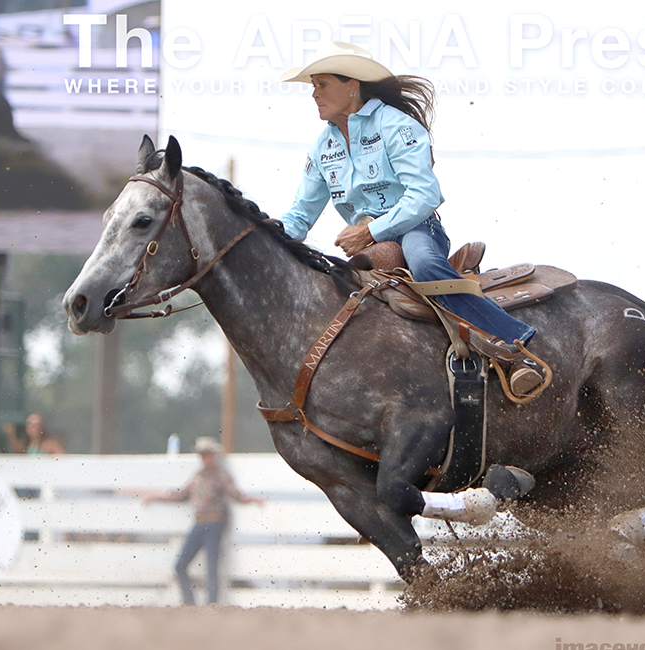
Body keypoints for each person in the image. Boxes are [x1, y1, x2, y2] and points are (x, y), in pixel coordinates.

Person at [277, 42, 543, 397]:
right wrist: (261, 238)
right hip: (368, 245)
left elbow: (424, 195)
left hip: (416, 228)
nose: (314, 94)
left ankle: (515, 345)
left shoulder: (396, 126)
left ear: (352, 85)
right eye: (313, 85)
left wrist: (370, 230)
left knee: (425, 264)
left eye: (322, 84)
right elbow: (299, 216)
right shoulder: (322, 149)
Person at [144, 437, 263, 606]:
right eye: (202, 455)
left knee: (211, 567)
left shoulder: (221, 474)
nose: (205, 458)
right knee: (180, 565)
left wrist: (252, 500)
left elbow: (236, 494)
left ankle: (211, 604)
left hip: (214, 523)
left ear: (214, 455)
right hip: (200, 523)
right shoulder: (198, 475)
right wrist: (156, 495)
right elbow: (180, 494)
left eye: (207, 454)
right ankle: (190, 603)